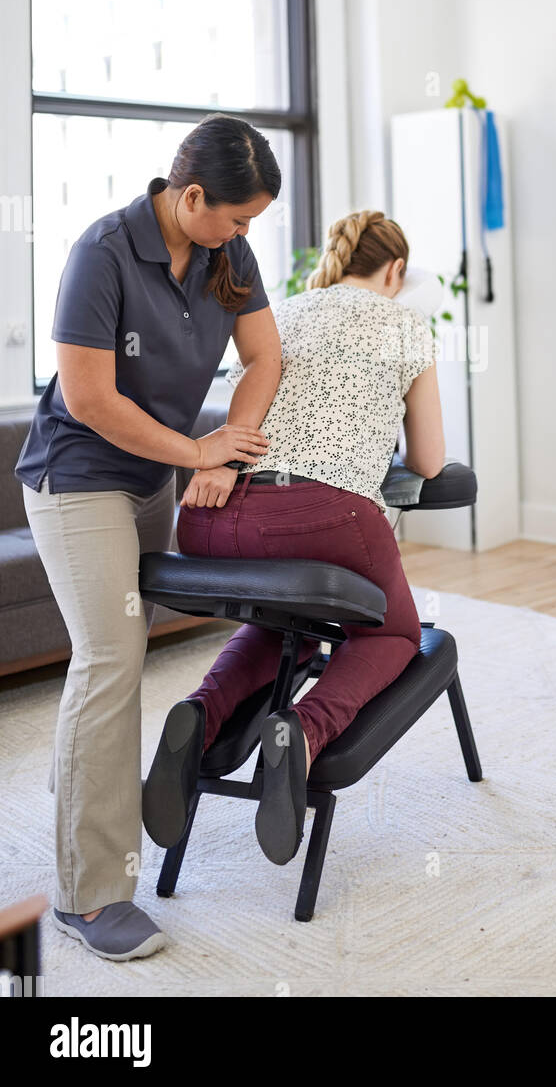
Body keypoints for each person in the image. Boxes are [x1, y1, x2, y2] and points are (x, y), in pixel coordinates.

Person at [15, 114, 285, 960]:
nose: (244, 238)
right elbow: (90, 399)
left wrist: (228, 452)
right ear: (192, 195)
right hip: (77, 477)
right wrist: (194, 450)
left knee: (125, 657)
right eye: (238, 220)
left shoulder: (223, 255)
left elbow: (265, 359)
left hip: (149, 478)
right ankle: (88, 897)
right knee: (110, 657)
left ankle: (76, 824)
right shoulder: (101, 252)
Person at [143, 209, 445, 871]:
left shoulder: (281, 313)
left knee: (291, 620)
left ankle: (202, 711)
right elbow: (427, 459)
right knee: (393, 633)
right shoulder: (407, 326)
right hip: (323, 516)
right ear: (394, 270)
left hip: (210, 514)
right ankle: (303, 733)